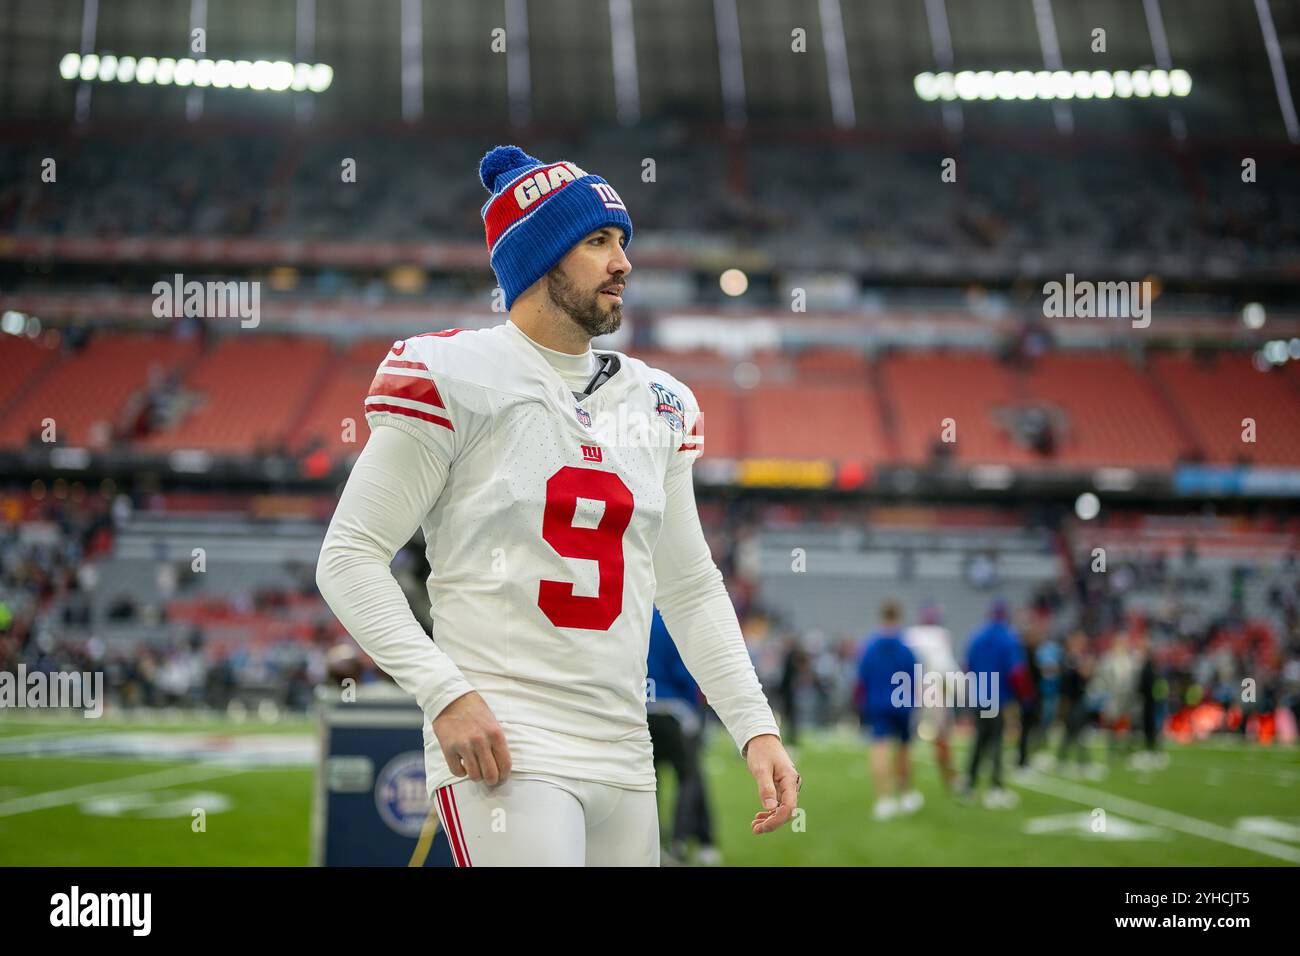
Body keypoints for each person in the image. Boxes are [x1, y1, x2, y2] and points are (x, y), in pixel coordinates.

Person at [316, 145, 797, 866]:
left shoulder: (659, 403)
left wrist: (755, 725)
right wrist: (444, 694)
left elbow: (690, 586)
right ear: (540, 258)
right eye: (598, 242)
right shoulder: (454, 375)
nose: (623, 263)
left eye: (622, 243)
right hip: (508, 737)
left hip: (624, 745)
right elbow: (349, 558)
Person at [646, 607, 719, 865]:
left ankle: (651, 842)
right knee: (689, 777)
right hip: (674, 710)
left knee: (647, 781)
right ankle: (679, 841)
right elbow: (684, 671)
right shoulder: (673, 613)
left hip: (639, 710)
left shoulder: (636, 606)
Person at [856, 601, 923, 820]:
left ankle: (884, 800)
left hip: (877, 703)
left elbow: (862, 678)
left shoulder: (870, 647)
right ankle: (904, 795)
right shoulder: (906, 648)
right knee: (904, 748)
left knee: (879, 747)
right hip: (902, 703)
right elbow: (914, 679)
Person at [958, 599, 1023, 809]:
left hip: (980, 693)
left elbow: (966, 667)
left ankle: (968, 783)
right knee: (995, 741)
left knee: (980, 739)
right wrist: (1022, 696)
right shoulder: (1008, 638)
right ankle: (995, 788)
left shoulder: (976, 636)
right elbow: (1015, 671)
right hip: (998, 694)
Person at [903, 601, 957, 789]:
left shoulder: (911, 634)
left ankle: (903, 782)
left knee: (905, 740)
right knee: (941, 735)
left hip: (908, 690)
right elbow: (946, 668)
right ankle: (950, 778)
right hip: (932, 690)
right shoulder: (939, 635)